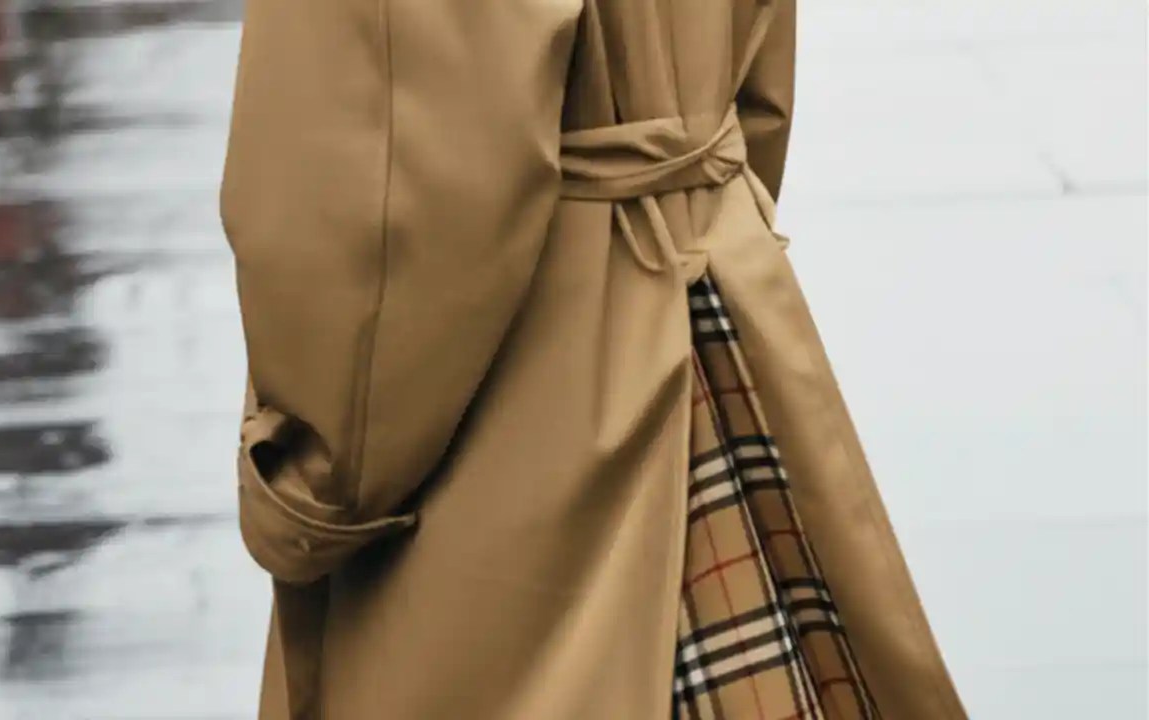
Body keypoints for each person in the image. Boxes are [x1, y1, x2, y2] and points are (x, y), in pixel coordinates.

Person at [218, 0, 968, 717]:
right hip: (702, 302)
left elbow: (383, 179)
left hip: (525, 397)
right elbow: (755, 93)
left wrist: (310, 483)